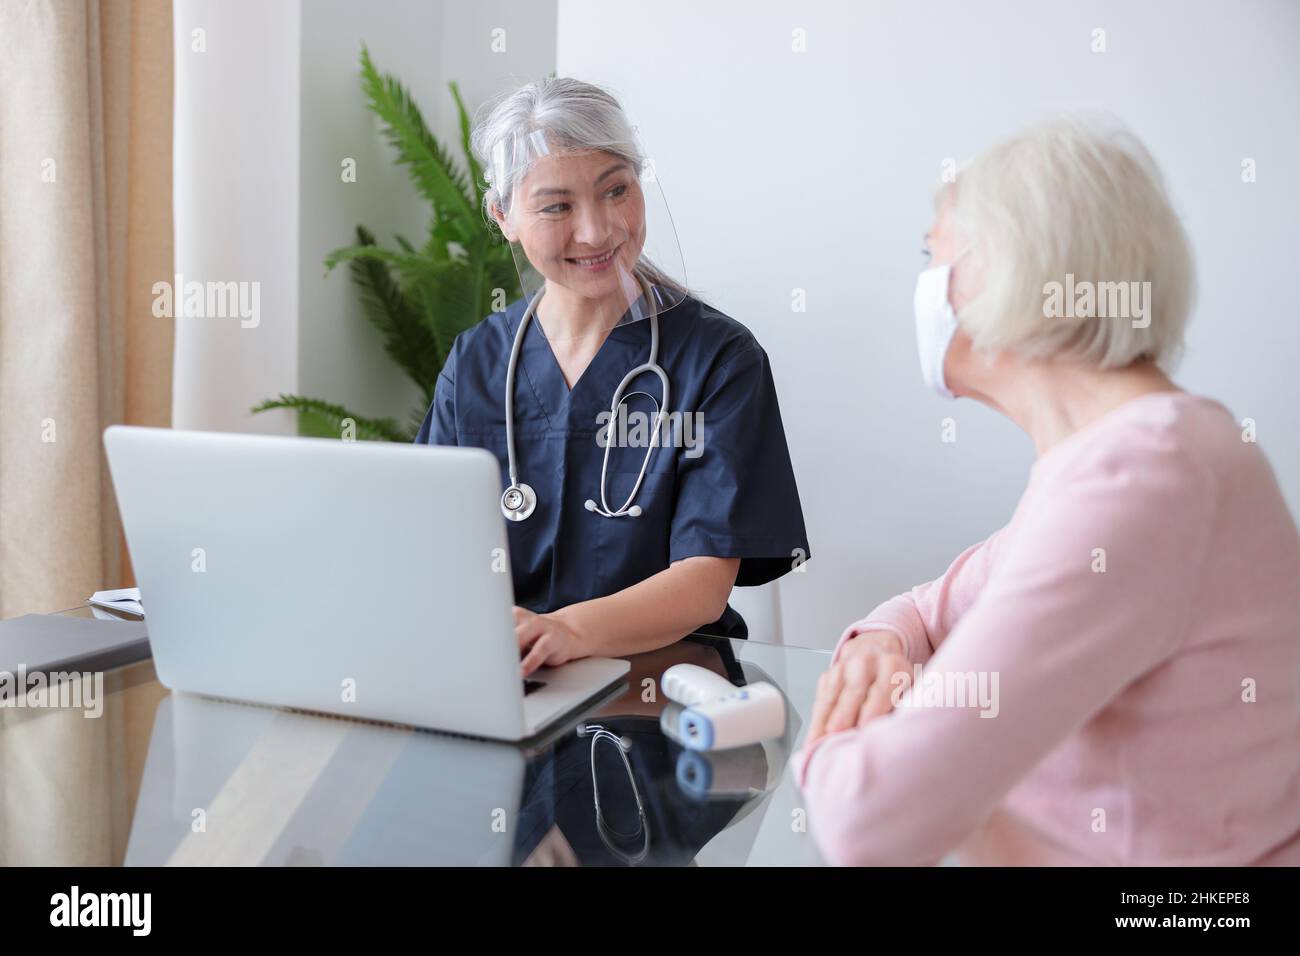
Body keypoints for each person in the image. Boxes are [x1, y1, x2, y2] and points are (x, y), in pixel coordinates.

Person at [795, 116, 1300, 866]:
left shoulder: (1147, 480)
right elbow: (929, 607)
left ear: (1008, 273)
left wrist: (832, 726)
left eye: (932, 256)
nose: (924, 287)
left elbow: (866, 822)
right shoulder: (1134, 455)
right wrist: (878, 644)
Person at [416, 78, 808, 676]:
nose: (596, 231)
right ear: (503, 216)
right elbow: (430, 547)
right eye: (556, 206)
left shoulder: (719, 360)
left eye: (615, 190)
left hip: (668, 688)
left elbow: (702, 583)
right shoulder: (477, 363)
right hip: (511, 678)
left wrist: (566, 630)